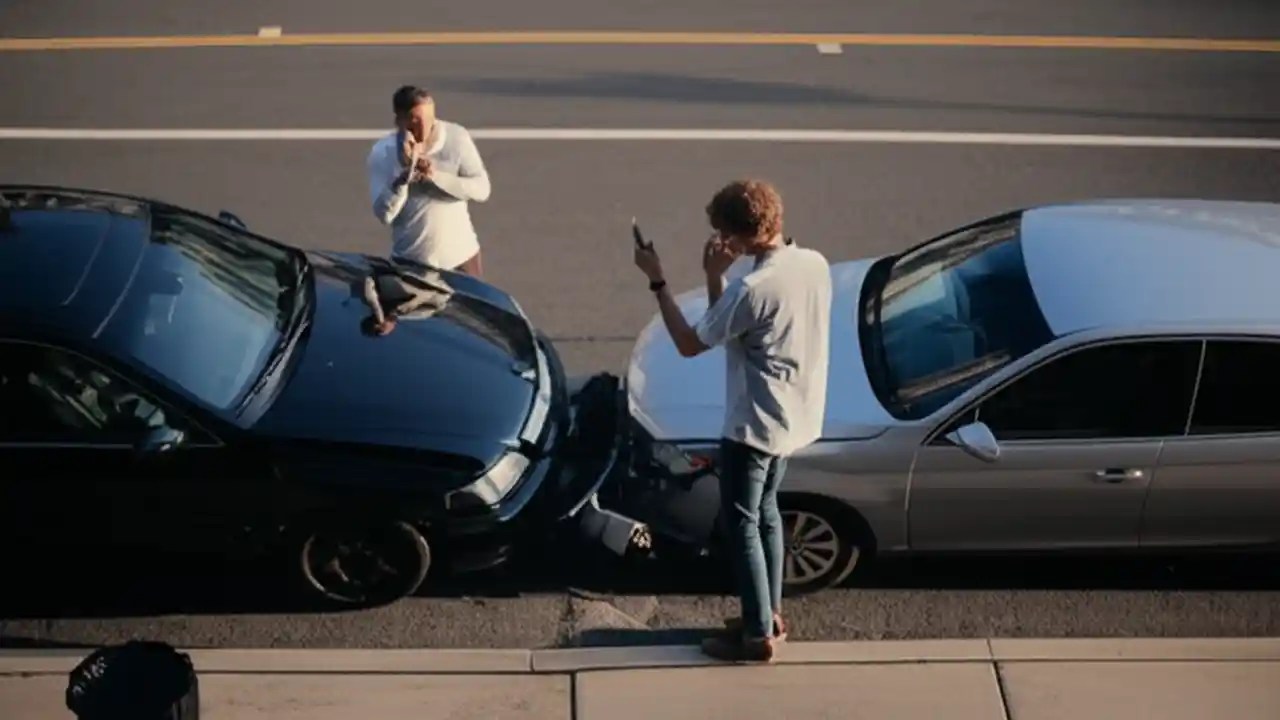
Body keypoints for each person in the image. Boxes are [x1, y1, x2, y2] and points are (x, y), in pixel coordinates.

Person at [632, 179, 832, 663]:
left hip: (753, 426)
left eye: (724, 233)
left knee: (741, 525)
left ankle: (758, 633)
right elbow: (734, 323)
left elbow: (691, 342)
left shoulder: (752, 286)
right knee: (766, 515)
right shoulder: (813, 263)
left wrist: (658, 281)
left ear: (740, 239)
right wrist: (715, 274)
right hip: (795, 416)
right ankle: (770, 613)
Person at [366, 85, 491, 277]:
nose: (424, 130)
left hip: (461, 260)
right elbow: (384, 214)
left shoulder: (456, 138)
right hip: (411, 263)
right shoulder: (383, 153)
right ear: (399, 121)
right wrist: (402, 179)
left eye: (430, 120)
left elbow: (482, 189)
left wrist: (435, 176)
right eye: (415, 122)